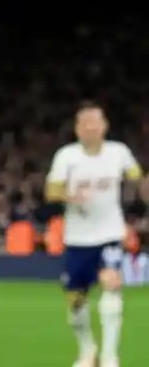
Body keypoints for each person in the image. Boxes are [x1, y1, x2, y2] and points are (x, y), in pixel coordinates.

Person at [47, 101, 143, 367]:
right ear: (77, 129)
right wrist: (70, 195)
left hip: (110, 233)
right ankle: (87, 350)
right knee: (76, 301)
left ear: (104, 126)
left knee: (112, 285)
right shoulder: (66, 156)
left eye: (95, 123)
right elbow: (51, 191)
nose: (90, 128)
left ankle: (111, 357)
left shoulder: (118, 152)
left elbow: (137, 177)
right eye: (85, 124)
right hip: (77, 239)